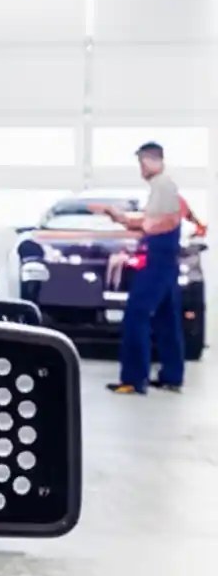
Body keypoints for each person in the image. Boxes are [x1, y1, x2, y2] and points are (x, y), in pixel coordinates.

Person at [90, 142, 184, 394]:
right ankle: (171, 376)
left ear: (152, 161)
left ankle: (133, 379)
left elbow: (151, 224)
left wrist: (119, 216)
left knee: (136, 315)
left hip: (157, 259)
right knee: (167, 319)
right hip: (167, 259)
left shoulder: (162, 185)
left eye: (142, 163)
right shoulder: (165, 186)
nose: (140, 169)